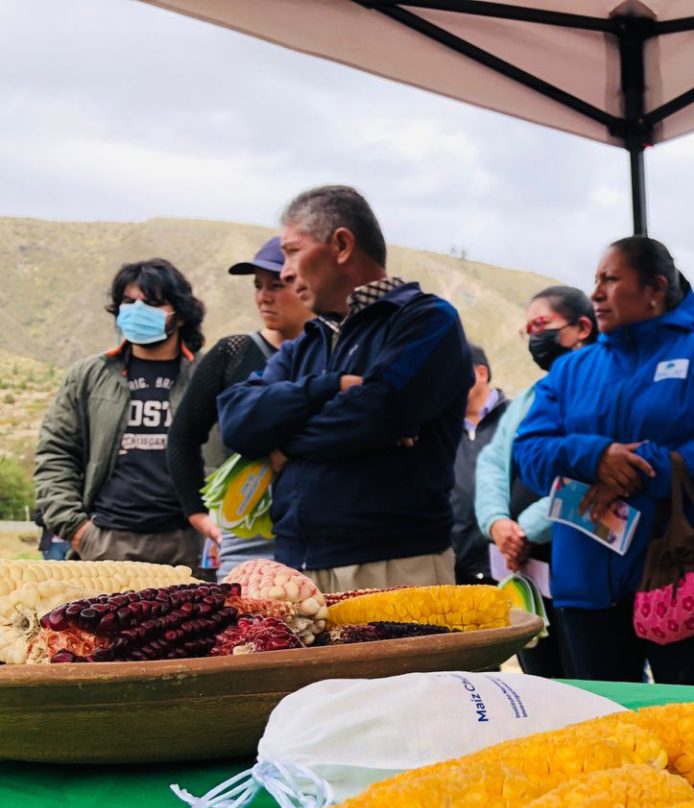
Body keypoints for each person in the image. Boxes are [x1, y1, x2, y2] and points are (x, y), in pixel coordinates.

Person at [513, 238, 694, 685]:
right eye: (596, 281)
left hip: (676, 576)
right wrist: (595, 457)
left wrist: (642, 467)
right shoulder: (571, 370)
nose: (596, 293)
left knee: (689, 717)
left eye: (610, 279)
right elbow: (528, 451)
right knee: (604, 716)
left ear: (654, 289)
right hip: (585, 584)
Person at [217, 185, 474, 592]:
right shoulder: (307, 342)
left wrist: (281, 443)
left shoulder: (426, 321)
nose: (285, 272)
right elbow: (236, 421)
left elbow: (375, 414)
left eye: (292, 252)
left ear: (341, 245)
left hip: (393, 563)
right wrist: (327, 387)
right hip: (297, 566)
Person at [34, 259, 207, 566]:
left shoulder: (207, 376)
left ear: (180, 315)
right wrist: (77, 530)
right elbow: (56, 453)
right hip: (106, 543)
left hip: (189, 546)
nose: (138, 311)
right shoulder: (89, 376)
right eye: (129, 302)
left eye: (152, 303)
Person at [166, 236, 313, 577]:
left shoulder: (334, 354)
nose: (264, 296)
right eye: (258, 286)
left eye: (276, 285)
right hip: (246, 533)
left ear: (307, 284)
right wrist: (198, 514)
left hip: (318, 530)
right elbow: (183, 437)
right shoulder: (232, 354)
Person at [476, 286, 598, 677]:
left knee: (588, 678)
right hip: (522, 564)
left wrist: (527, 528)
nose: (534, 337)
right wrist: (498, 523)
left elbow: (589, 474)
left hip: (580, 557)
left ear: (582, 327)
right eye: (527, 329)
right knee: (539, 677)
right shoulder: (533, 394)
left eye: (541, 325)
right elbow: (493, 459)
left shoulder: (600, 388)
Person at [449, 344, 509, 585]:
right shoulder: (441, 431)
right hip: (460, 570)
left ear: (481, 373)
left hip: (516, 562)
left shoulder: (517, 418)